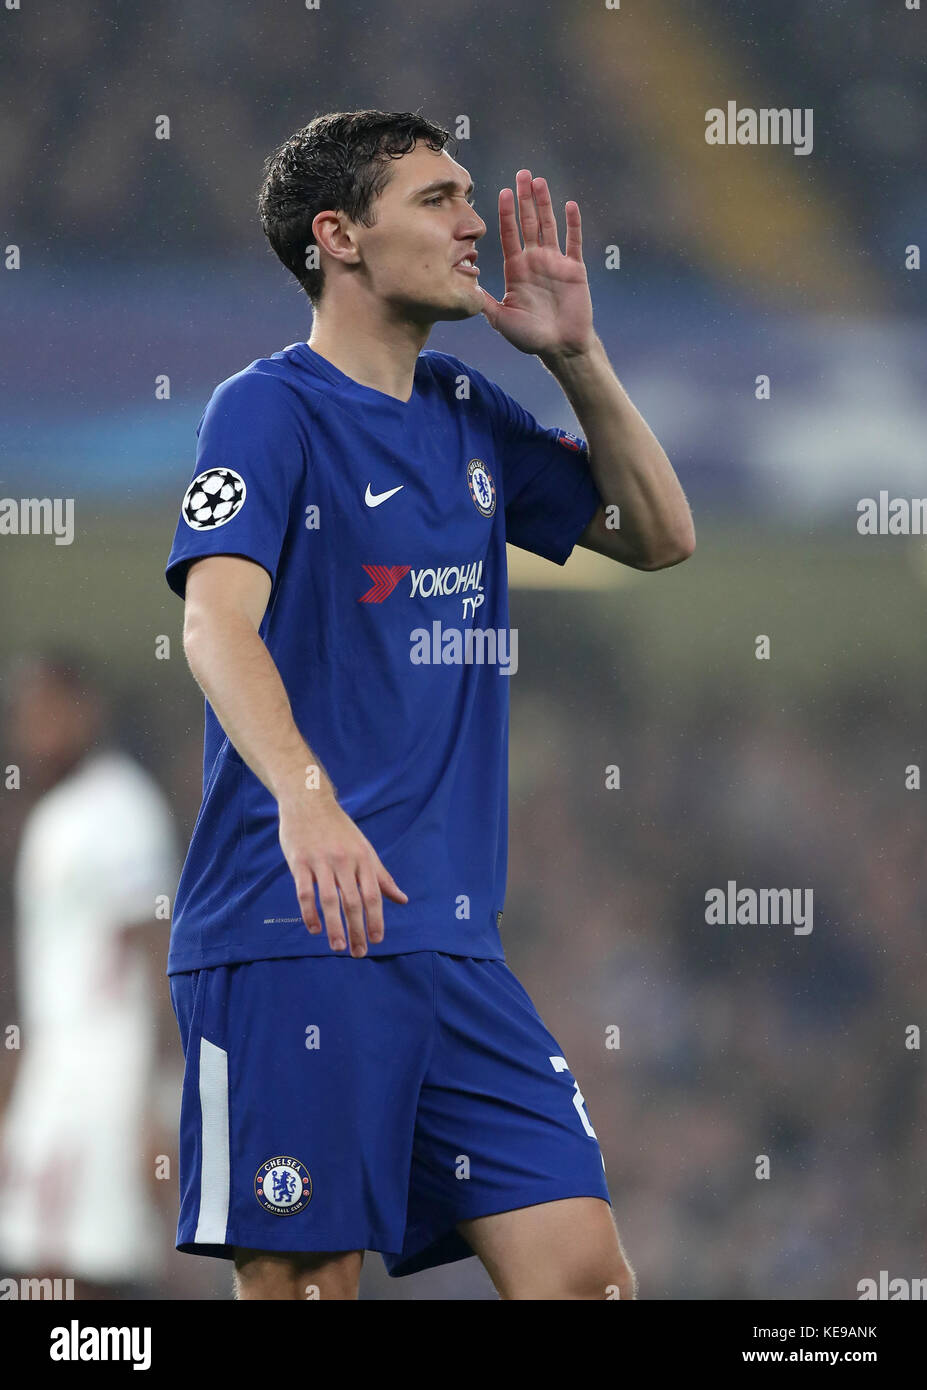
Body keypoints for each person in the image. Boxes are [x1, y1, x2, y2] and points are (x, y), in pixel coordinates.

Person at [164, 109, 694, 1301]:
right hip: (296, 929)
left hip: (454, 947)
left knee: (586, 1279)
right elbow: (213, 622)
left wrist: (574, 355)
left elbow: (661, 535)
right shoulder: (266, 410)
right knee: (308, 1286)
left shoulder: (466, 411)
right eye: (438, 199)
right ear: (339, 236)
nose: (474, 224)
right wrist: (306, 797)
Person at [0, 653, 179, 1298]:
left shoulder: (121, 805)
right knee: (35, 1266)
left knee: (91, 1271)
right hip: (57, 1071)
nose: (33, 730)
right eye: (24, 715)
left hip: (108, 1074)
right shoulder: (54, 813)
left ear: (85, 710)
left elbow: (157, 948)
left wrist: (157, 1098)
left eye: (48, 710)